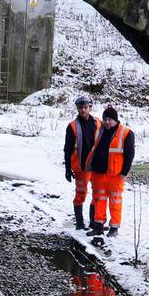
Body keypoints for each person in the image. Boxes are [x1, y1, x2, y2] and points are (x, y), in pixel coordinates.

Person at [86, 105, 134, 237]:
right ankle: (98, 226)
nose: (107, 122)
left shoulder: (126, 133)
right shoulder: (99, 130)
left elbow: (129, 155)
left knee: (115, 201)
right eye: (105, 119)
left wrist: (124, 173)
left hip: (116, 175)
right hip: (98, 173)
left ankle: (114, 228)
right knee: (99, 200)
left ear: (116, 120)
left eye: (110, 119)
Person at [63, 95, 100, 230]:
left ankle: (93, 223)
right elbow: (67, 149)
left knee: (97, 194)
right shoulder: (72, 126)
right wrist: (67, 169)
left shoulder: (98, 123)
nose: (83, 110)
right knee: (81, 195)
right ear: (77, 109)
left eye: (85, 107)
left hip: (95, 166)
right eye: (80, 108)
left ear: (90, 108)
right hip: (80, 167)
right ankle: (79, 223)